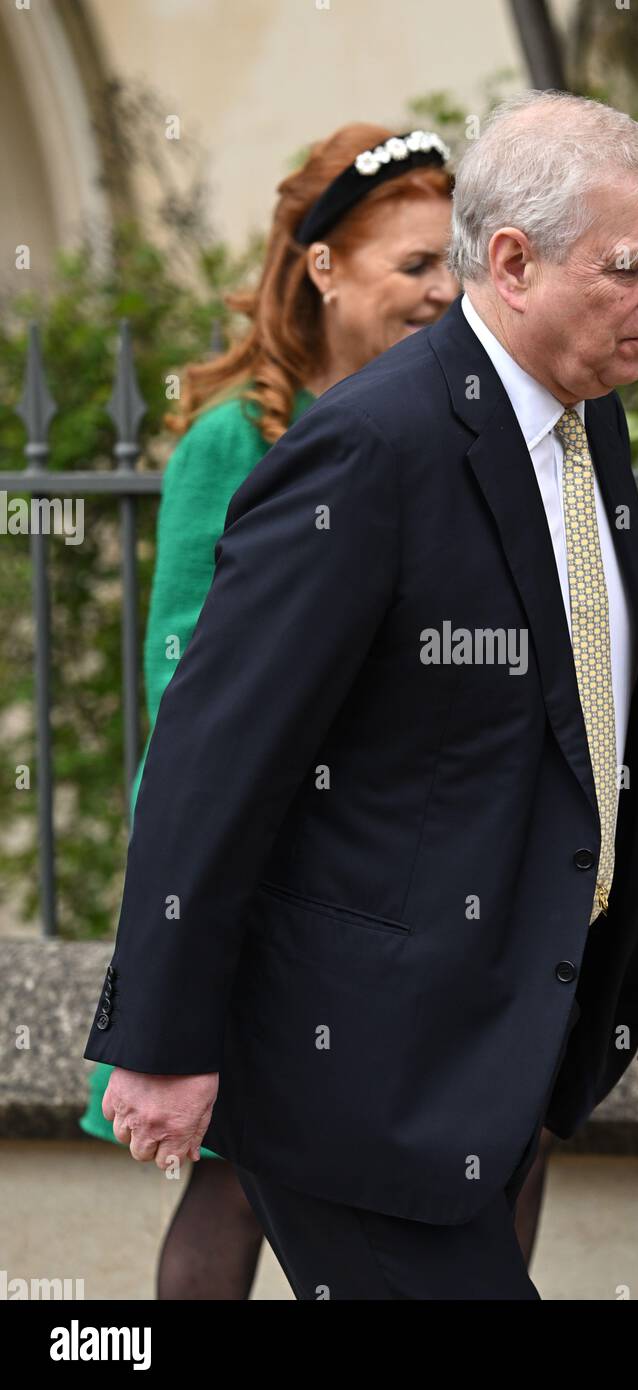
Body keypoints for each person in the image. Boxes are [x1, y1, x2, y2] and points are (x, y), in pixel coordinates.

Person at [82, 90, 638, 1301]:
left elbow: (565, 712)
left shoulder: (587, 422)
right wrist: (159, 1043)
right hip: (357, 1071)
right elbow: (219, 751)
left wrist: (620, 914)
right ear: (516, 263)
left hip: (494, 1026)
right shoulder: (369, 449)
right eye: (634, 266)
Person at [79, 121, 459, 1298]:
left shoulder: (447, 419)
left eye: (455, 263)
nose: (447, 292)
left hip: (404, 866)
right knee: (241, 1166)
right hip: (271, 870)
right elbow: (190, 691)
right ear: (323, 268)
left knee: (461, 1150)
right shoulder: (235, 436)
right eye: (416, 267)